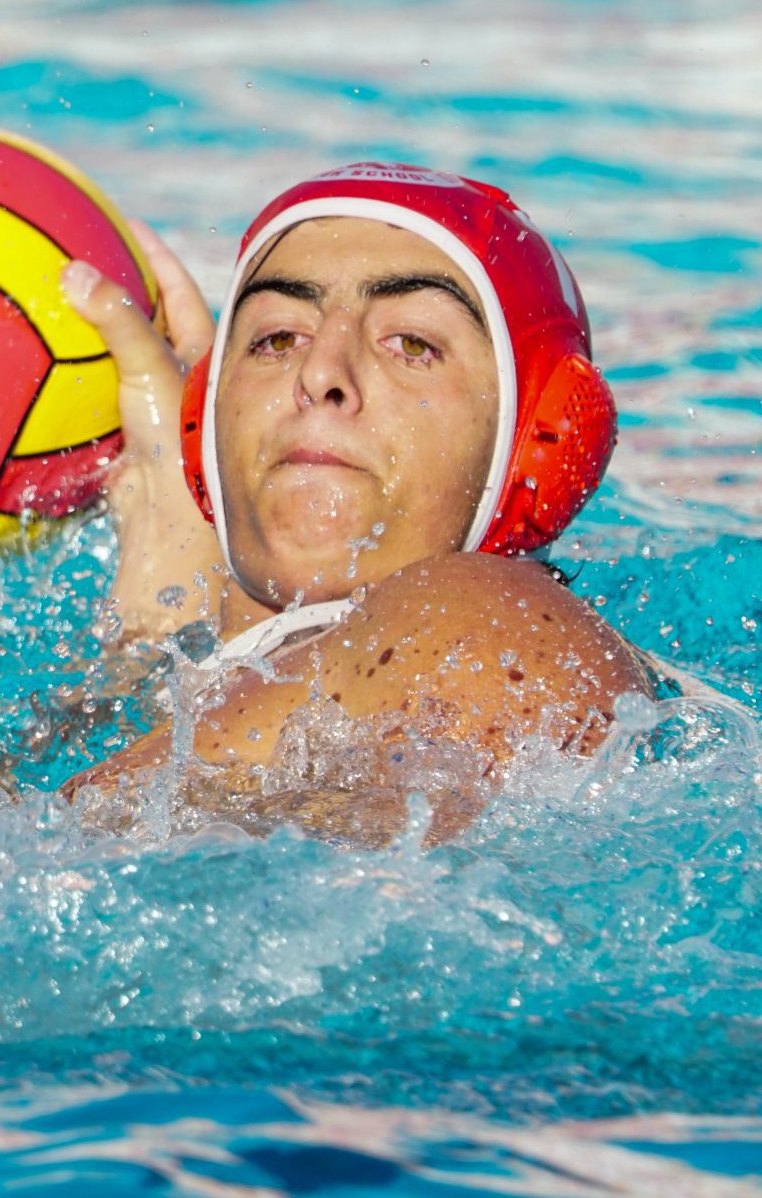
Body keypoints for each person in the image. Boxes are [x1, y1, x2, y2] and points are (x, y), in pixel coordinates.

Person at [54, 163, 649, 838]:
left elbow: (55, 851)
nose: (319, 372)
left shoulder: (489, 621)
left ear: (537, 444)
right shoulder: (177, 701)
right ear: (204, 425)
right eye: (278, 338)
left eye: (413, 345)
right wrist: (147, 628)